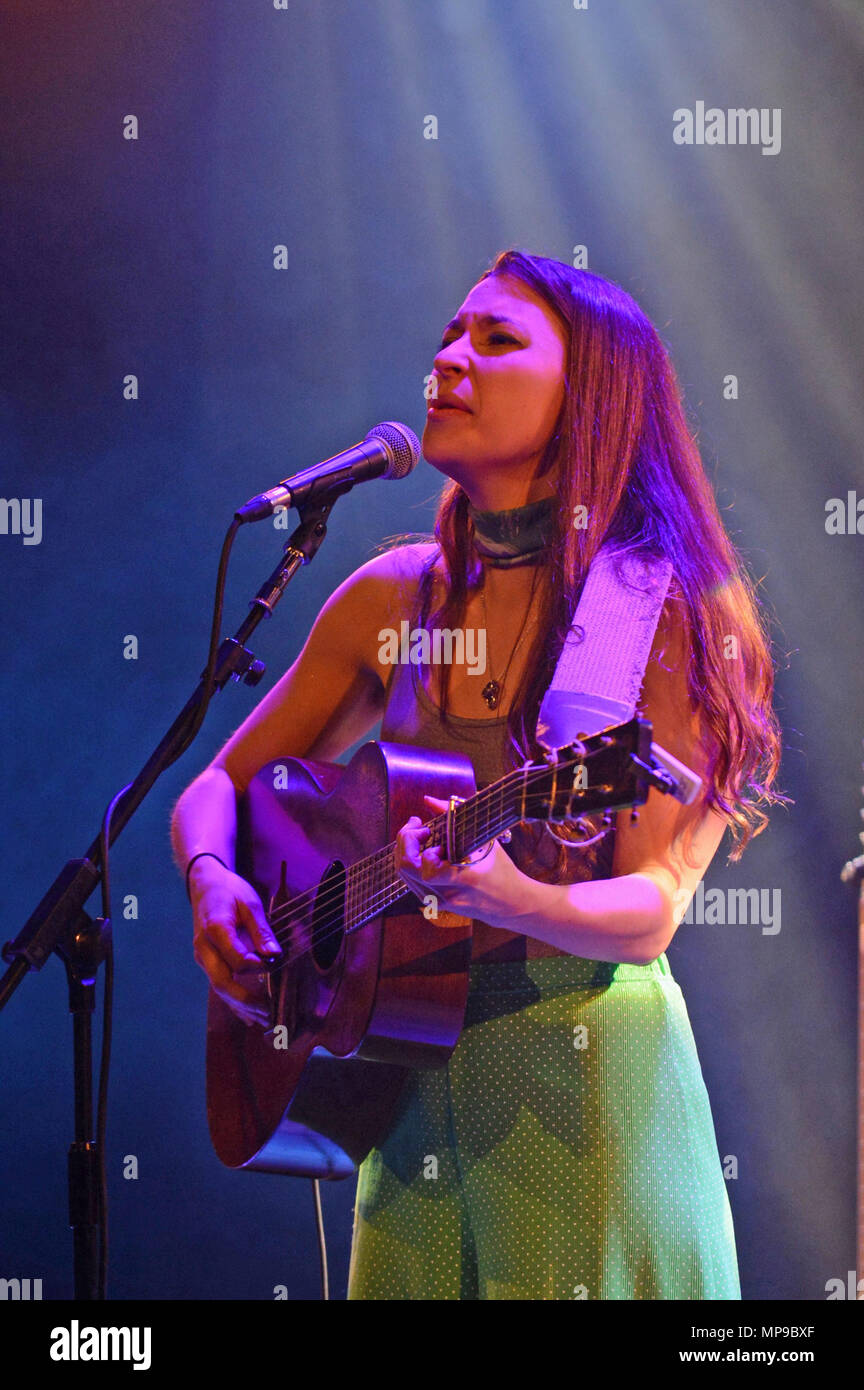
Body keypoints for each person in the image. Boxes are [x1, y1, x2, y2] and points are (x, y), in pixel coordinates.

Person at [171, 249, 785, 1300]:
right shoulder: (392, 599)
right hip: (407, 1084)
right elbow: (214, 789)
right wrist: (213, 884)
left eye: (496, 340)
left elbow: (652, 906)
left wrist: (516, 896)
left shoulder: (659, 602)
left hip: (583, 1066)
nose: (449, 361)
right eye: (450, 335)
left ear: (589, 388)